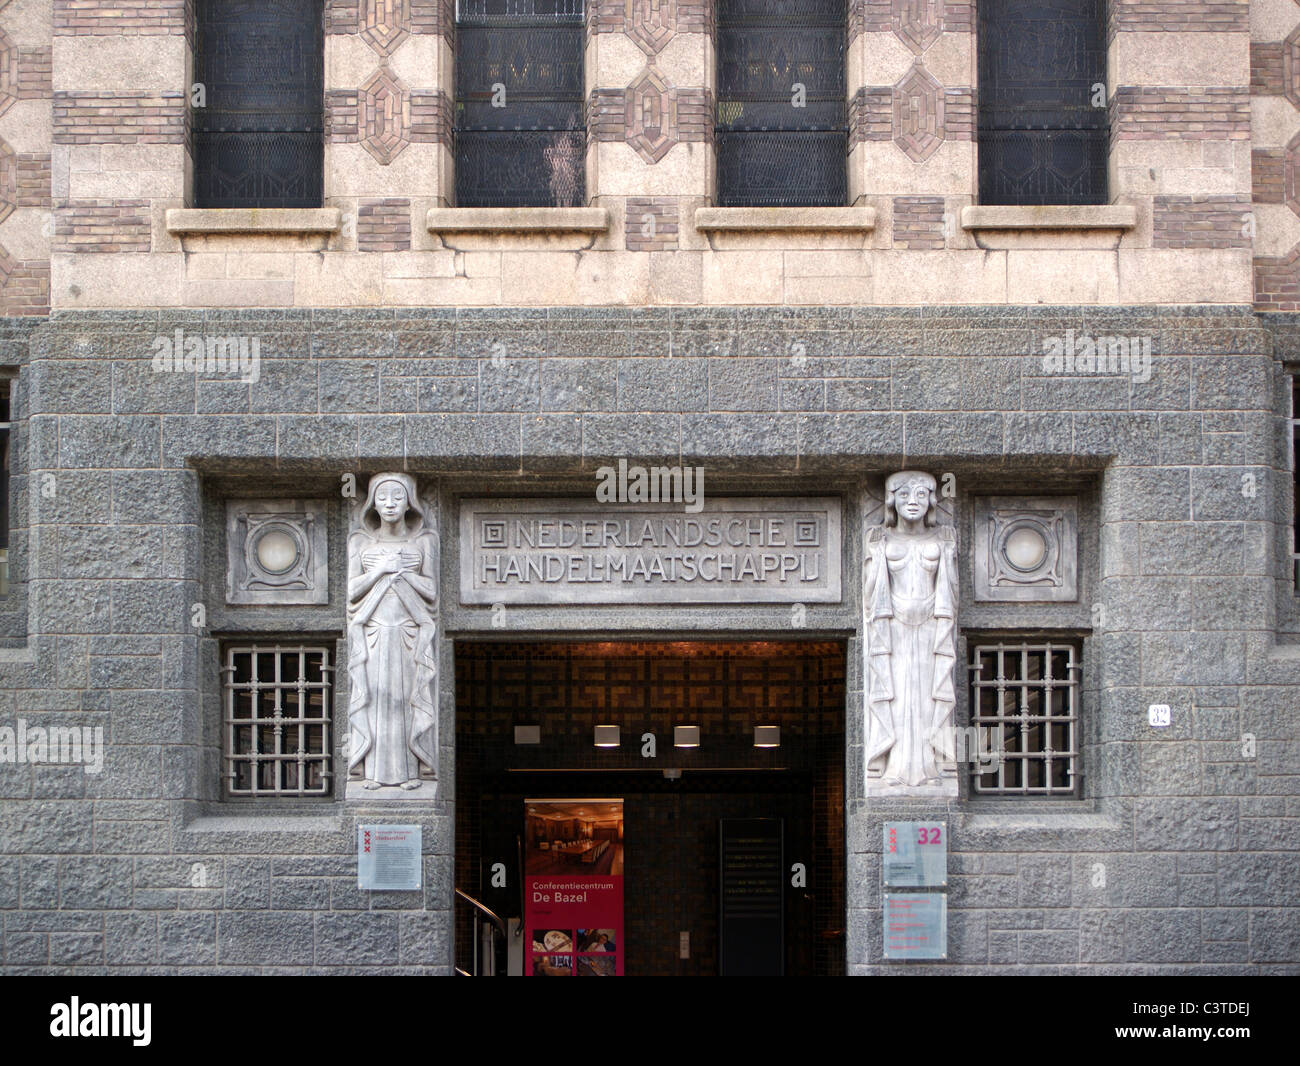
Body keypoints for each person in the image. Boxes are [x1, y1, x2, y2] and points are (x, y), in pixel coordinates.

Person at [863, 471, 958, 789]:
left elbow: (952, 594)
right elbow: (869, 598)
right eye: (904, 495)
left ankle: (931, 768)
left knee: (928, 697)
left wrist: (949, 554)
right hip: (895, 629)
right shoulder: (881, 540)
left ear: (932, 500)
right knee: (897, 695)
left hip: (932, 629)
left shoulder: (941, 539)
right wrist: (875, 557)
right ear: (892, 501)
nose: (913, 502)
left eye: (921, 494)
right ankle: (894, 766)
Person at [346, 474, 439, 789]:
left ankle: (411, 773)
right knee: (375, 700)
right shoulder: (361, 542)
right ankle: (372, 774)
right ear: (372, 502)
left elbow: (431, 591)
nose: (389, 503)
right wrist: (380, 571)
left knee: (405, 701)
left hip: (408, 633)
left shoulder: (424, 541)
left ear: (409, 502)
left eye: (397, 497)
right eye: (382, 497)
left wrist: (403, 574)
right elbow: (352, 591)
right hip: (373, 632)